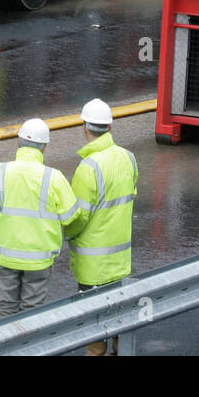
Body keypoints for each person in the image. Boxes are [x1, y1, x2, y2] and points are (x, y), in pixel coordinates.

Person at [0, 118, 88, 318]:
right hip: (39, 260)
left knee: (5, 308)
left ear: (18, 143)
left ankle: (1, 347)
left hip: (5, 255)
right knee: (32, 312)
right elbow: (71, 216)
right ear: (44, 147)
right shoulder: (53, 177)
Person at [68, 98, 138, 355]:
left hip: (92, 265)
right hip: (121, 260)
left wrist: (66, 236)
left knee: (95, 324)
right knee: (120, 317)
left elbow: (77, 219)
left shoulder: (87, 168)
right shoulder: (128, 158)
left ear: (85, 128)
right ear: (110, 127)